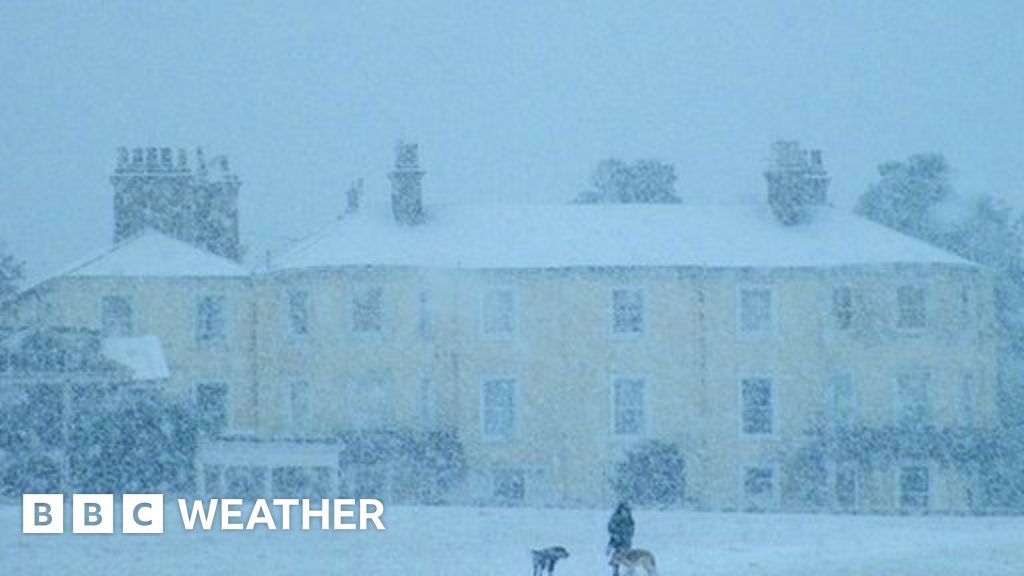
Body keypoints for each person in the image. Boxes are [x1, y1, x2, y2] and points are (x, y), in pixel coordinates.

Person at [606, 501, 634, 575]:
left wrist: (629, 535)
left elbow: (632, 527)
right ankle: (616, 572)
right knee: (617, 556)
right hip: (617, 540)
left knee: (626, 556)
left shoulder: (629, 517)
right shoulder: (615, 517)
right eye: (625, 509)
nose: (626, 511)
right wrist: (615, 535)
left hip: (626, 540)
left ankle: (628, 571)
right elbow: (610, 527)